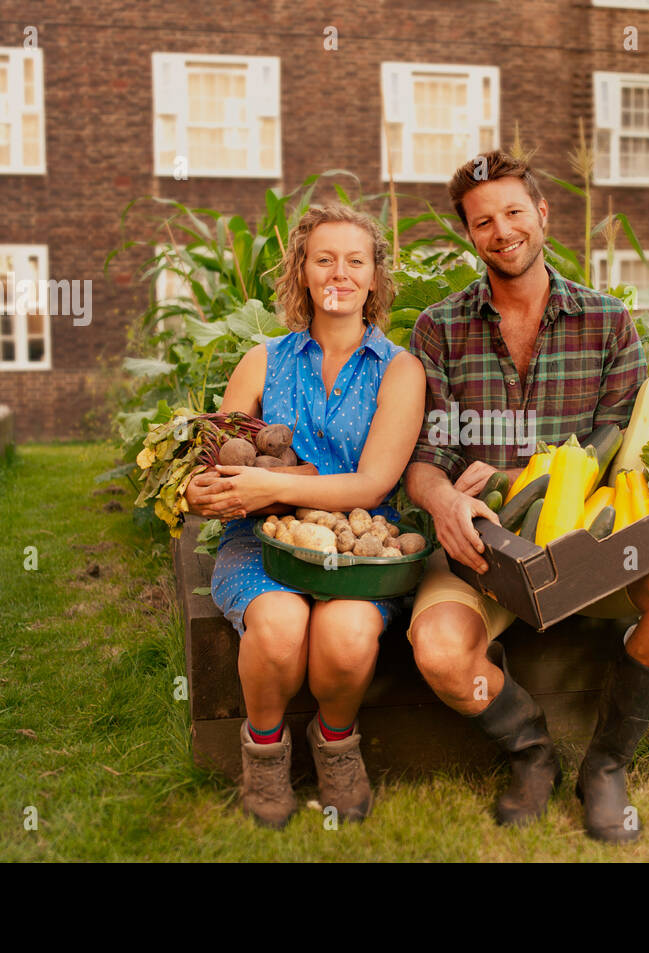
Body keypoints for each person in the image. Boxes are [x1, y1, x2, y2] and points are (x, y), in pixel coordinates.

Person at [404, 151, 649, 844]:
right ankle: (531, 753)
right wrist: (446, 501)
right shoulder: (440, 329)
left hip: (594, 544)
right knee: (441, 652)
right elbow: (425, 459)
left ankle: (605, 766)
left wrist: (513, 480)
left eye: (514, 212)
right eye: (483, 221)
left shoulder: (607, 323)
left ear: (542, 215)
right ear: (469, 235)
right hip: (484, 547)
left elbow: (614, 449)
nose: (501, 230)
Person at [184, 205, 425, 829]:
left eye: (354, 260)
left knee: (345, 640)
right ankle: (264, 755)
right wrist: (203, 490)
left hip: (359, 547)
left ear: (375, 277)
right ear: (303, 270)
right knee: (280, 628)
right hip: (263, 542)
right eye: (324, 259)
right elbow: (216, 464)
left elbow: (374, 482)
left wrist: (272, 483)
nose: (338, 273)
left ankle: (336, 745)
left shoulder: (399, 370)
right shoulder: (262, 362)